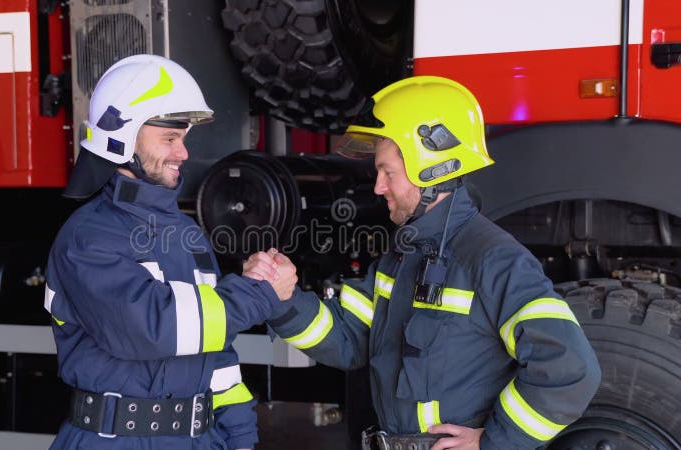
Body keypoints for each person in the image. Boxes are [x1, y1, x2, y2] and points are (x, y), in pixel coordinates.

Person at [247, 76, 601, 449]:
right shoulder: (400, 258)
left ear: (433, 170)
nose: (378, 187)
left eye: (388, 173)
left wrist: (493, 442)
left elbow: (570, 370)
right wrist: (283, 297)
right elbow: (347, 338)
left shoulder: (494, 260)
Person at [43, 54, 297, 450]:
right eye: (169, 139)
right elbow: (153, 329)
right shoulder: (88, 238)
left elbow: (214, 348)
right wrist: (258, 292)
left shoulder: (186, 234)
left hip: (198, 439)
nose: (183, 153)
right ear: (122, 137)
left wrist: (240, 436)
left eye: (183, 139)